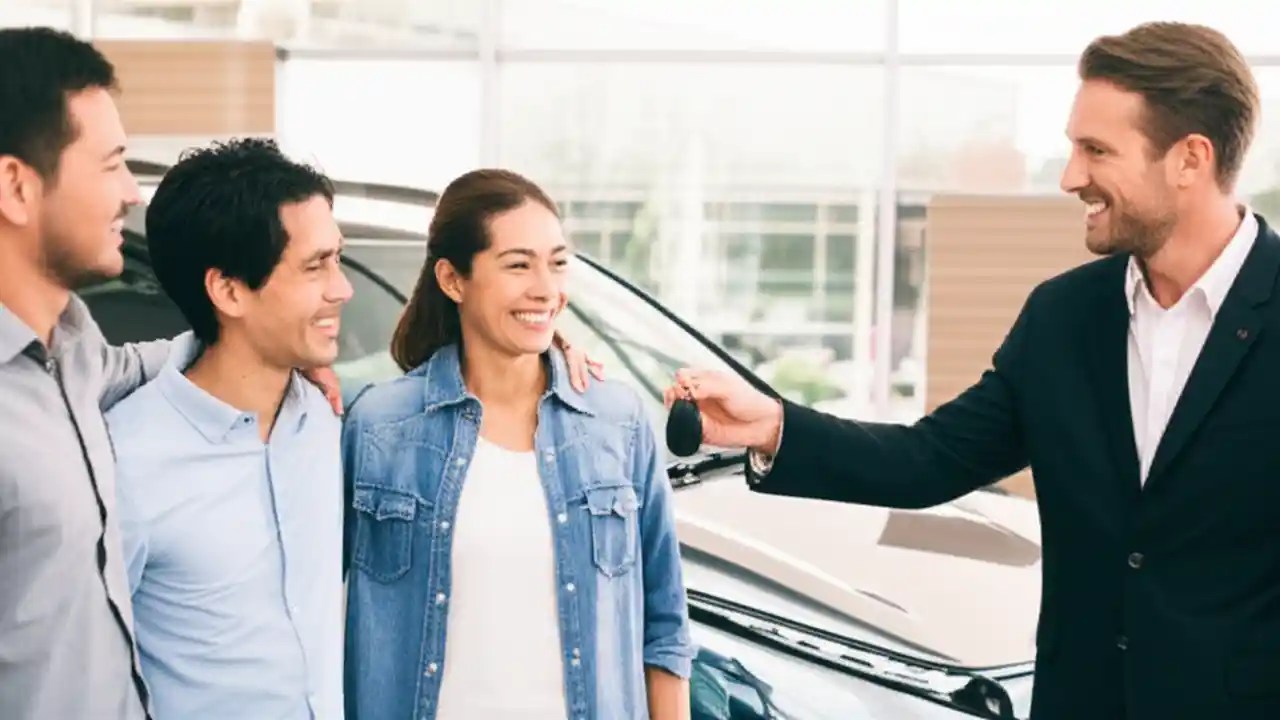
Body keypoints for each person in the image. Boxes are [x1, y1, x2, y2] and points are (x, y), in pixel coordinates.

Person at [666, 21, 1277, 720]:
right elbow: (929, 460)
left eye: (1096, 150)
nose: (1070, 175)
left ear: (1190, 159)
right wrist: (774, 426)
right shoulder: (1064, 318)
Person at [342, 168, 694, 719]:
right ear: (453, 279)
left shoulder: (616, 421)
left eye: (556, 263)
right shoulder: (379, 428)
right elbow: (311, 615)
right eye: (518, 265)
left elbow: (665, 627)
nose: (546, 289)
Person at [103, 137, 355, 719]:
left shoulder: (321, 419)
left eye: (336, 259)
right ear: (229, 290)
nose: (341, 288)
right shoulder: (126, 461)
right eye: (315, 265)